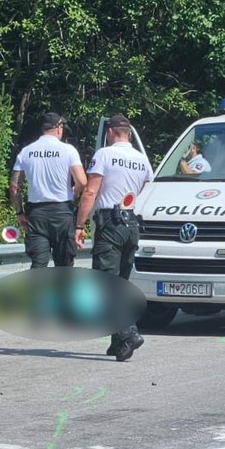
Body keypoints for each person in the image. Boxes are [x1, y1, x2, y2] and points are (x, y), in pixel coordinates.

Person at [74, 113, 153, 361]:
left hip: (110, 224)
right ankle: (119, 344)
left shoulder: (105, 155)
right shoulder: (142, 159)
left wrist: (79, 225)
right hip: (131, 225)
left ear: (109, 132)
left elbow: (90, 192)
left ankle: (129, 332)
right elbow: (143, 188)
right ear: (128, 133)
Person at [9, 112, 88, 268]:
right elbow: (82, 181)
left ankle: (36, 292)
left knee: (38, 264)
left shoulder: (26, 152)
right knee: (64, 267)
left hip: (37, 214)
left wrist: (20, 212)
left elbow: (14, 186)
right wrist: (74, 192)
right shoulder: (68, 150)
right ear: (58, 128)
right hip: (62, 213)